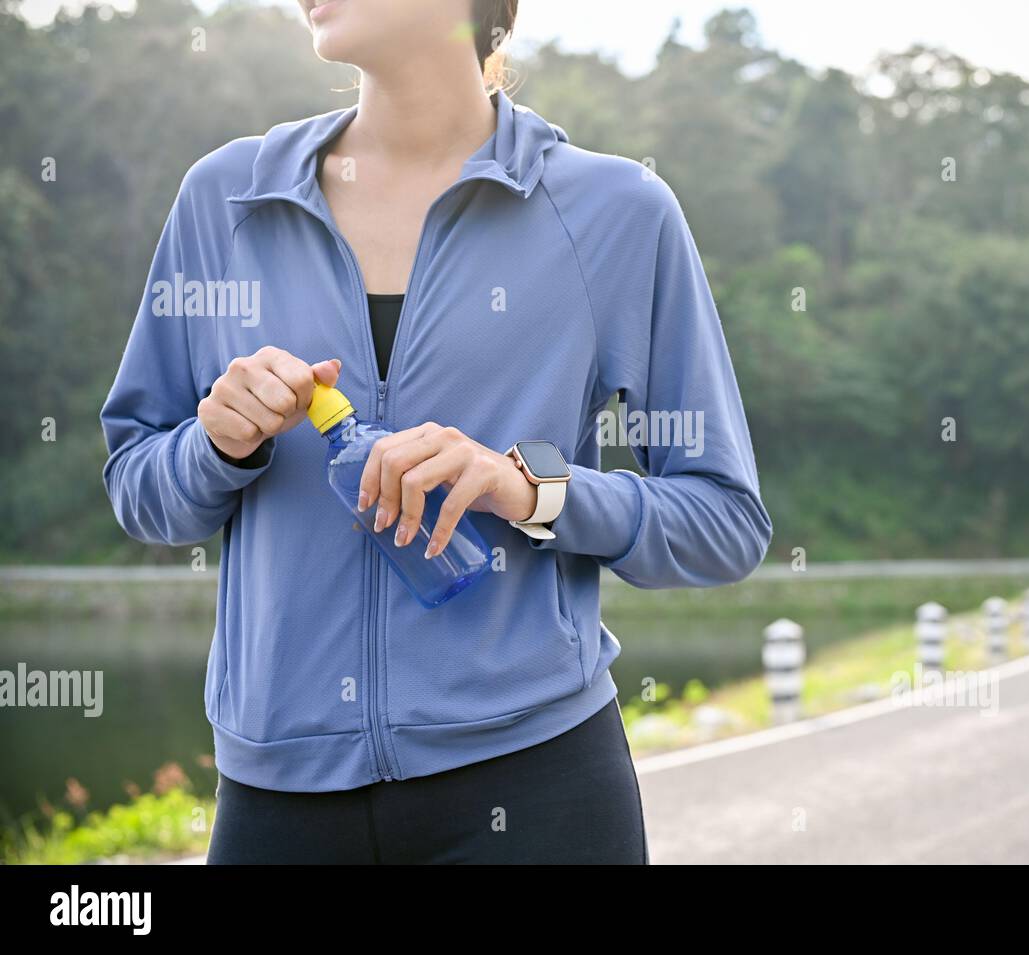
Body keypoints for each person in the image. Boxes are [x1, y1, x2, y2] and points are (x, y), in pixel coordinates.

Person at [100, 0, 771, 864]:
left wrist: (527, 488)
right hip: (278, 799)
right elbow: (137, 485)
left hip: (535, 787)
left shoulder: (616, 211)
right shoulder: (226, 202)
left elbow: (724, 520)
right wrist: (213, 445)